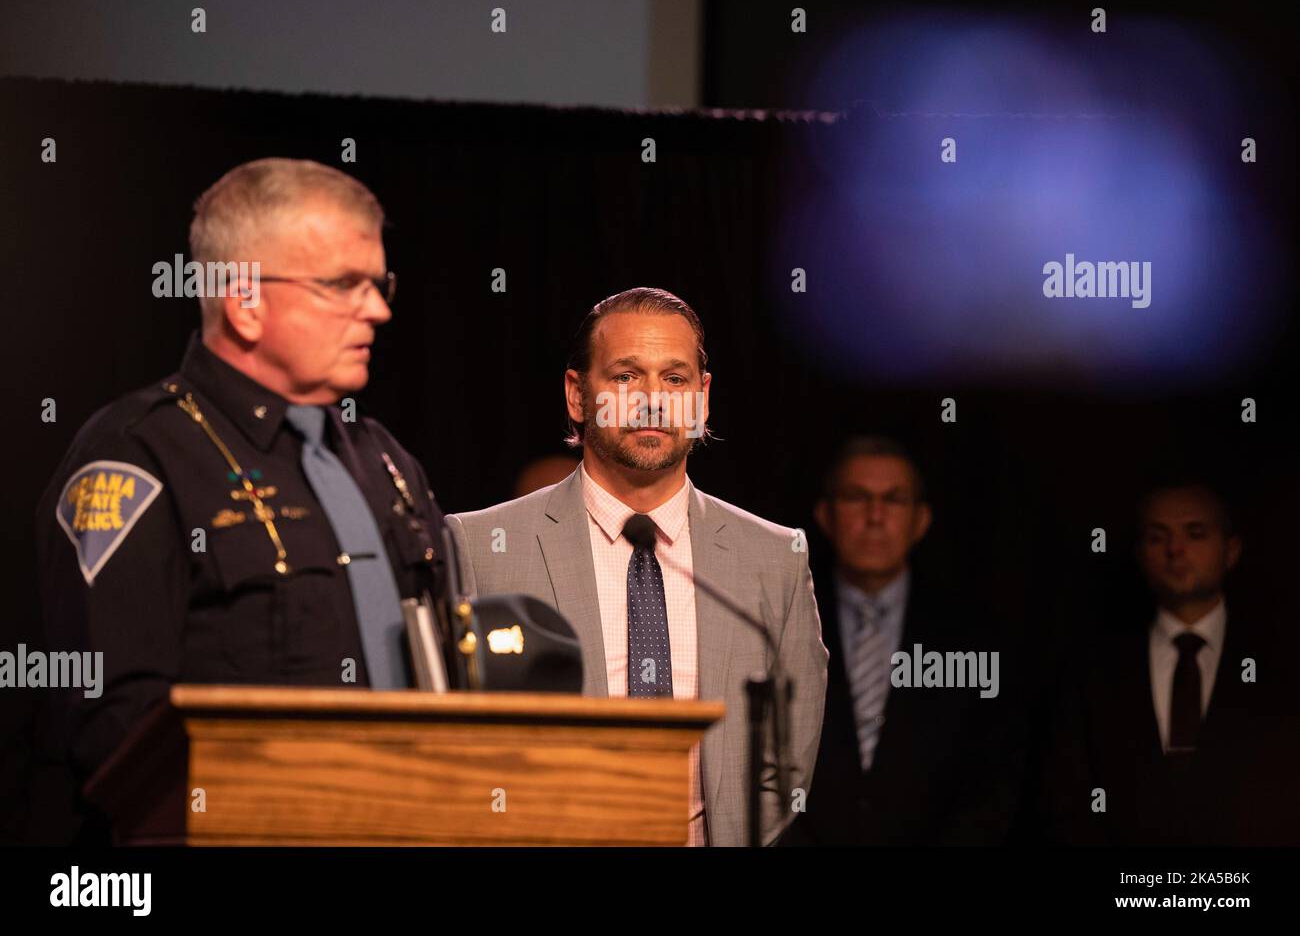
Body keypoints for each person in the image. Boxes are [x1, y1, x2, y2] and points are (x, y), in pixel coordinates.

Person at [35, 158, 447, 801]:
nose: (376, 311)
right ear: (246, 301)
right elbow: (114, 725)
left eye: (378, 284)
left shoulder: (384, 459)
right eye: (343, 284)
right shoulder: (137, 454)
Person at [447, 287, 827, 846]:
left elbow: (785, 766)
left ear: (702, 397)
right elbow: (460, 754)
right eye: (626, 377)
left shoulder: (774, 558)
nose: (652, 400)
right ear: (578, 396)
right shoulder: (479, 547)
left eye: (675, 380)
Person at [784, 436, 1021, 845]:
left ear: (921, 519)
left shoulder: (973, 635)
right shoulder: (784, 621)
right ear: (825, 516)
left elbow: (996, 779)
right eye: (857, 498)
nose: (875, 516)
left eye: (893, 500)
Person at [1043, 479, 1298, 845]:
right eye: (1157, 537)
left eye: (1195, 534)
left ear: (1231, 550)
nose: (1175, 550)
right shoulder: (1090, 671)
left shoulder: (1283, 665)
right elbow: (1063, 800)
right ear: (1139, 554)